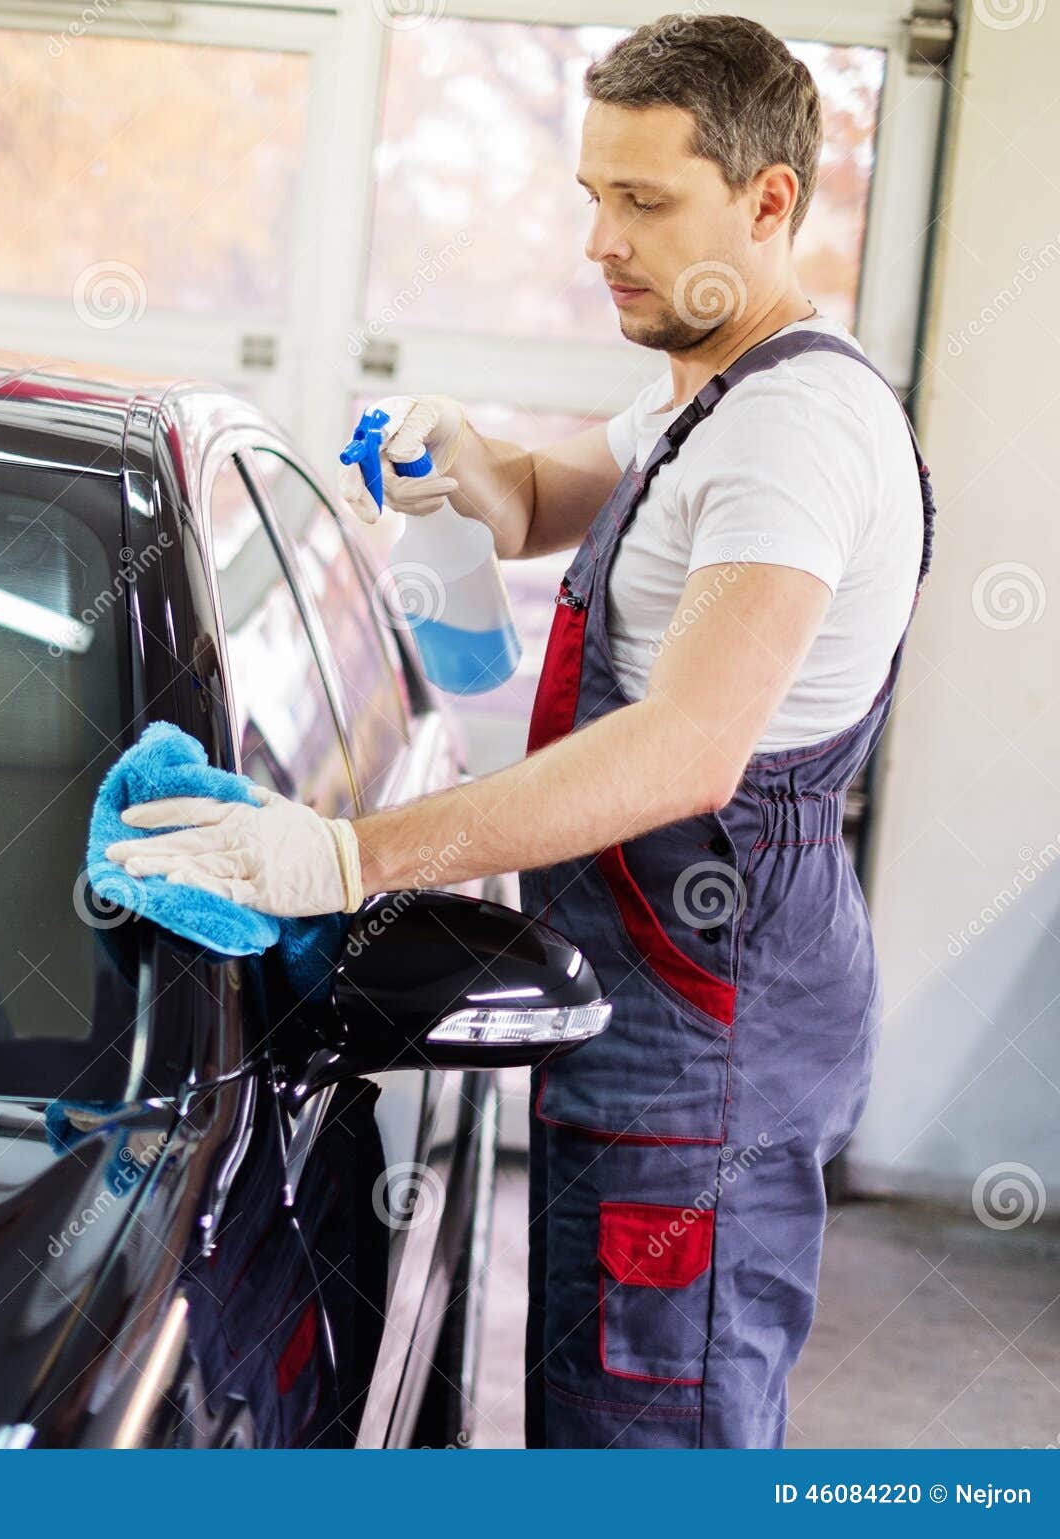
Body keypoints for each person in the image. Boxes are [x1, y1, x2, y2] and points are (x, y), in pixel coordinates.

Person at [104, 12, 935, 1448]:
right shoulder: (709, 385)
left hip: (708, 1038)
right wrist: (467, 461)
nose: (602, 241)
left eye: (646, 202)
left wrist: (347, 855)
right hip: (665, 1013)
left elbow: (686, 752)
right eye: (592, 197)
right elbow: (555, 492)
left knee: (649, 1436)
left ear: (770, 201)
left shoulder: (794, 438)